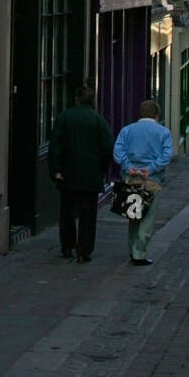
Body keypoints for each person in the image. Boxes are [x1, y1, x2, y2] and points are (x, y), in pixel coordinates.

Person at [47, 84, 114, 263]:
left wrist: (56, 170)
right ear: (92, 100)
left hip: (68, 174)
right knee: (88, 215)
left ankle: (68, 246)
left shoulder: (64, 117)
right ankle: (84, 251)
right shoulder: (98, 120)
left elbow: (55, 146)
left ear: (76, 99)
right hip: (91, 176)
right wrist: (102, 169)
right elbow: (107, 147)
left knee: (67, 212)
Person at [113, 100, 173, 266]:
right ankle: (139, 254)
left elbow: (118, 151)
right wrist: (152, 168)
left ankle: (133, 249)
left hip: (131, 178)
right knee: (147, 218)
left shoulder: (127, 130)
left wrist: (128, 166)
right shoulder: (163, 132)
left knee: (133, 215)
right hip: (150, 180)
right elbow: (167, 155)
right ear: (156, 115)